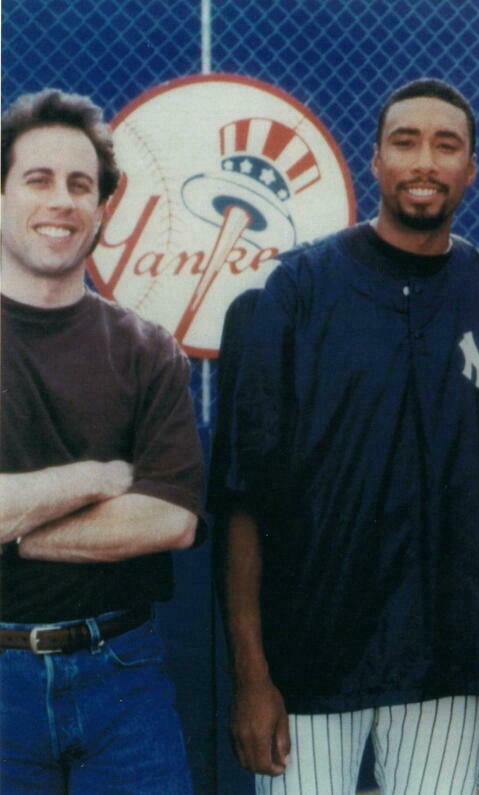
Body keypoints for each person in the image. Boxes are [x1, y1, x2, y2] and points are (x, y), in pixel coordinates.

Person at [211, 78, 479, 794]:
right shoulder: (298, 290)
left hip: (447, 663)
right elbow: (245, 497)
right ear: (374, 161)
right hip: (311, 663)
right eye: (405, 142)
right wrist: (253, 677)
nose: (425, 162)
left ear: (472, 168)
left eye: (447, 146)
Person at [0, 90, 203, 793]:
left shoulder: (146, 350)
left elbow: (171, 518)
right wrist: (95, 478)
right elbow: (132, 499)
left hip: (123, 673)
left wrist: (20, 529)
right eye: (38, 179)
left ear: (103, 209)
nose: (62, 200)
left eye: (80, 184)